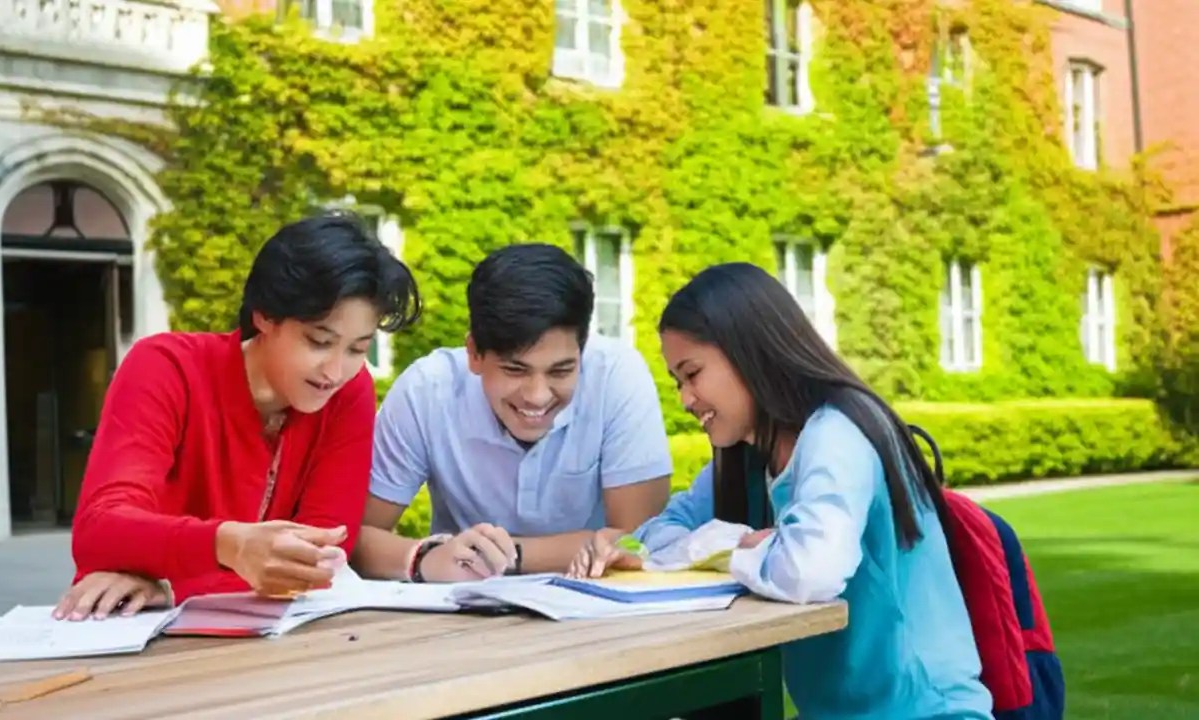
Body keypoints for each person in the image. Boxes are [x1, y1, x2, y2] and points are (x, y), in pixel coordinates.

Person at [568, 262, 994, 720]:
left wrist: (721, 546)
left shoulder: (838, 434)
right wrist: (725, 546)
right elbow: (660, 531)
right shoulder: (749, 457)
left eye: (692, 374)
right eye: (678, 381)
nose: (686, 400)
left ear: (748, 350)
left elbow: (812, 570)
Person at [53, 213, 421, 621]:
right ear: (265, 315)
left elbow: (320, 559)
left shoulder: (348, 393)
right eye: (319, 341)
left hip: (268, 641)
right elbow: (100, 530)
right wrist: (228, 547)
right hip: (134, 631)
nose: (335, 371)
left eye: (357, 350)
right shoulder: (165, 368)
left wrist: (174, 585)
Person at [350, 243, 673, 583]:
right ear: (474, 353)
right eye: (515, 371)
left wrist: (500, 555)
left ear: (583, 348)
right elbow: (355, 536)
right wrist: (423, 558)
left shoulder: (616, 375)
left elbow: (640, 543)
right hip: (460, 614)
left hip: (592, 610)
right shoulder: (426, 391)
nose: (537, 396)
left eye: (561, 371)